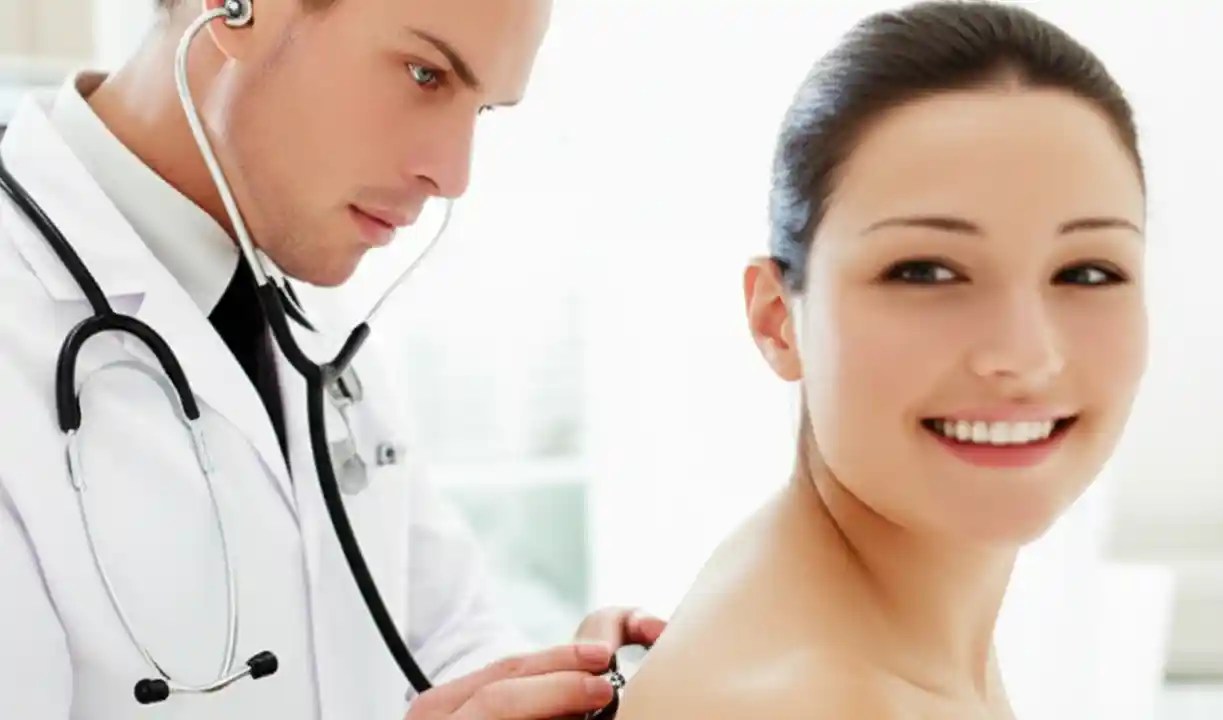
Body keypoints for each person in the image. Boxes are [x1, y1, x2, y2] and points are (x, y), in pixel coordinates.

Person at [0, 0, 663, 718]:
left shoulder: (307, 317)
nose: (453, 174)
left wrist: (567, 684)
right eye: (425, 73)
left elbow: (440, 640)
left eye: (483, 112)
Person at [614, 2, 1147, 718]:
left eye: (1086, 272)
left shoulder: (882, 616)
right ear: (778, 319)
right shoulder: (814, 700)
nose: (1025, 356)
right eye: (925, 272)